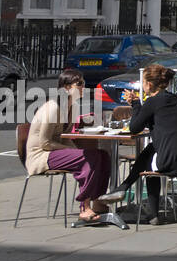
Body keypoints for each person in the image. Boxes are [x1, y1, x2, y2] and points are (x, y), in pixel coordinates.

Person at [101, 64, 177, 224]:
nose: (142, 84)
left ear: (149, 84)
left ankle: (150, 212)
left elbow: (134, 128)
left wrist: (135, 104)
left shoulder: (153, 102)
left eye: (143, 81)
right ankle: (124, 189)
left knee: (149, 165)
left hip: (171, 161)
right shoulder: (175, 99)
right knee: (151, 149)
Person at [26, 70, 123, 227]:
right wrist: (75, 152)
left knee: (102, 155)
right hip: (41, 155)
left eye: (84, 83)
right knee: (88, 157)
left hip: (54, 150)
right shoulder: (53, 108)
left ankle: (98, 201)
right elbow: (44, 143)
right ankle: (84, 208)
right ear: (66, 88)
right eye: (79, 84)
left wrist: (75, 151)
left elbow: (65, 136)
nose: (83, 87)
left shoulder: (73, 107)